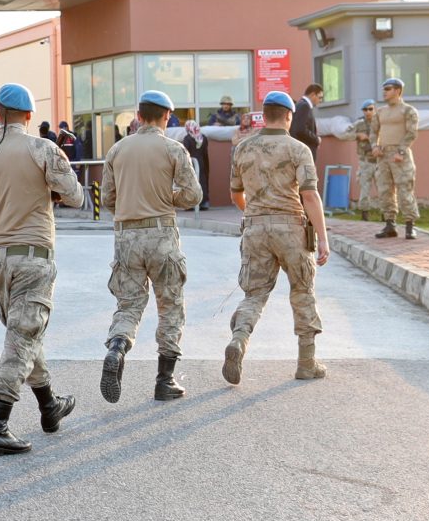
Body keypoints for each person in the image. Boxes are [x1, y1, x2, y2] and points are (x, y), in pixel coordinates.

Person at [0, 83, 83, 455]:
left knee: (24, 334)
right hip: (34, 257)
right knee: (21, 340)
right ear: (30, 115)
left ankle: (49, 406)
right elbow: (76, 197)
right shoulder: (43, 149)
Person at [222, 90, 330, 385]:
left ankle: (239, 339)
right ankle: (306, 363)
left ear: (264, 116)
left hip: (255, 229)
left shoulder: (242, 148)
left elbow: (235, 194)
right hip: (291, 228)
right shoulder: (298, 149)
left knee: (254, 295)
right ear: (288, 116)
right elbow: (310, 195)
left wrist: (255, 215)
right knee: (302, 292)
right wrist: (322, 238)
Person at [99, 91, 202, 403]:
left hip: (126, 237)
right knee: (170, 306)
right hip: (161, 235)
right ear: (166, 116)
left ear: (139, 116)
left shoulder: (117, 150)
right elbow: (193, 195)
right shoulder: (173, 149)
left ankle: (117, 346)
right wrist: (165, 197)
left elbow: (108, 199)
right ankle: (164, 380)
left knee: (129, 304)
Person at [371, 77, 420, 239]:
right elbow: (373, 132)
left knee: (405, 189)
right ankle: (390, 225)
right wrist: (375, 146)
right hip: (383, 155)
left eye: (388, 89)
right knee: (384, 190)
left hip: (400, 155)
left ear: (398, 90)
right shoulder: (380, 112)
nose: (384, 92)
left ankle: (410, 225)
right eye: (384, 89)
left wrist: (401, 151)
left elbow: (411, 133)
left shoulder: (408, 110)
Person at [353, 99, 379, 221]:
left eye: (370, 109)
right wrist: (357, 135)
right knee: (365, 189)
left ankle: (387, 216)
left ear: (375, 109)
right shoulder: (359, 124)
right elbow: (345, 134)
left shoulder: (380, 122)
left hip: (379, 161)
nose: (368, 112)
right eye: (365, 109)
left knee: (383, 189)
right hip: (365, 161)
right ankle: (364, 214)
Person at [182, 120, 211, 209]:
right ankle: (204, 203)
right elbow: (205, 152)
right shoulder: (203, 138)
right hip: (201, 162)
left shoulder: (187, 138)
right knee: (202, 182)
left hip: (191, 163)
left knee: (191, 183)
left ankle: (191, 204)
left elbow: (185, 152)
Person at [291, 83, 324, 159]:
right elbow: (301, 130)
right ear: (313, 95)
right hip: (304, 154)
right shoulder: (304, 106)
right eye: (320, 97)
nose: (321, 100)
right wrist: (316, 139)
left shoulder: (300, 105)